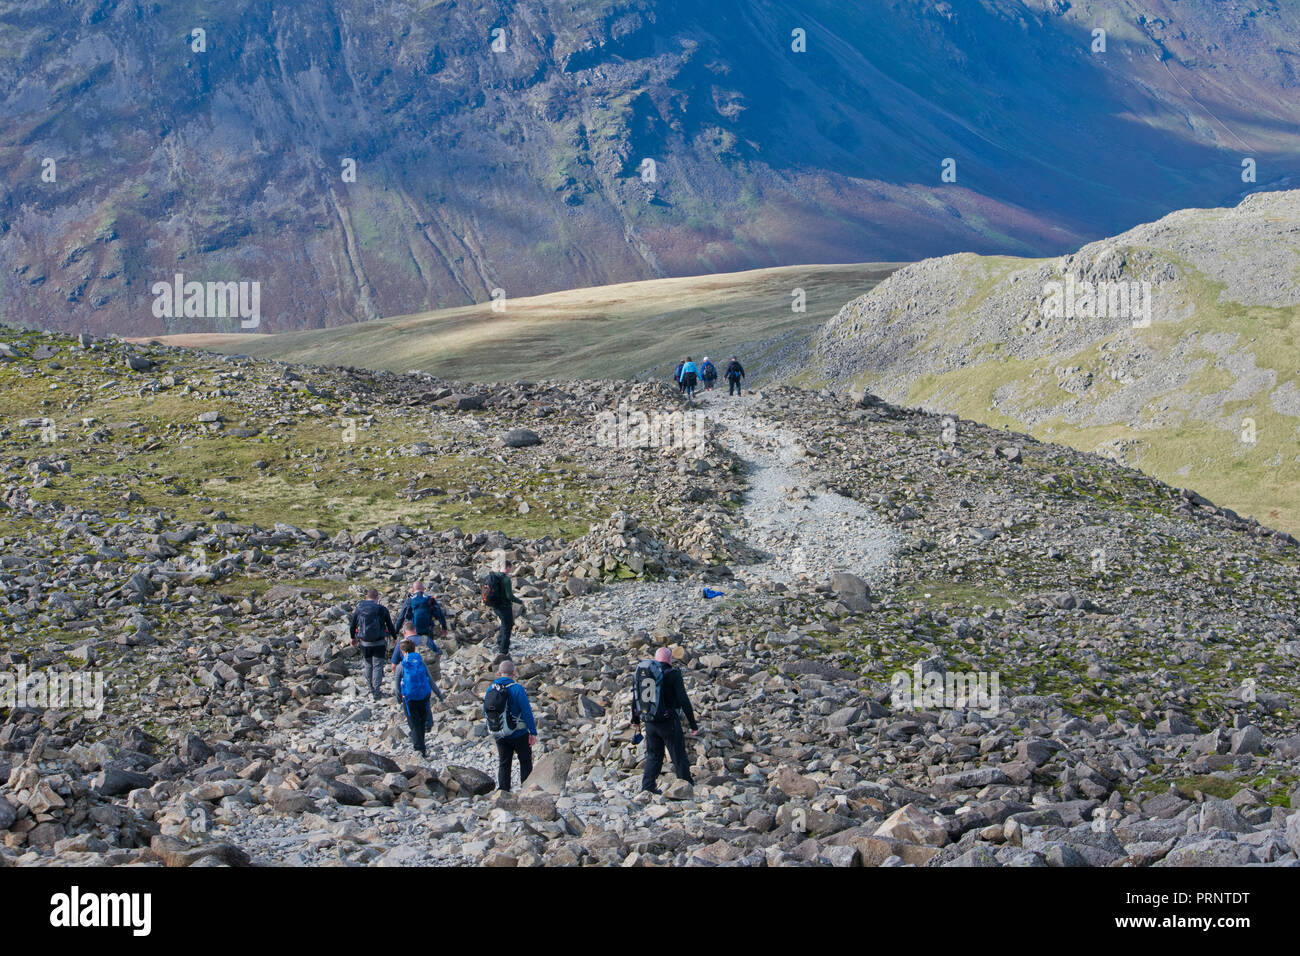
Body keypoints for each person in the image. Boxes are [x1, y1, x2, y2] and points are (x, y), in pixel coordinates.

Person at [631, 647, 699, 794]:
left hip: (649, 722)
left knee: (654, 756)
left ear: (656, 659)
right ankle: (686, 787)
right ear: (670, 659)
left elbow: (635, 697)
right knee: (678, 755)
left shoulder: (646, 674)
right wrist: (693, 724)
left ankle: (647, 788)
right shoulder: (673, 674)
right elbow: (683, 700)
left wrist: (635, 719)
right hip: (668, 722)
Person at [483, 660, 537, 792]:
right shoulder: (517, 688)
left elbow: (486, 712)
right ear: (513, 673)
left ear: (498, 673)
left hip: (499, 732)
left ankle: (503, 791)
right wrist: (533, 732)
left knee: (504, 762)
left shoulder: (490, 689)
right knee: (525, 760)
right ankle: (525, 790)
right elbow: (526, 711)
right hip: (518, 733)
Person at [394, 582, 448, 700]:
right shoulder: (429, 599)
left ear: (413, 589)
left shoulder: (410, 600)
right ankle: (431, 680)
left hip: (413, 633)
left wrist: (395, 631)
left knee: (412, 656)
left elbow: (402, 615)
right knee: (429, 654)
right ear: (423, 589)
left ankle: (413, 679)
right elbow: (439, 613)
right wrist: (444, 627)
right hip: (427, 632)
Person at [349, 588, 396, 700]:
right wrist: (394, 637)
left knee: (368, 664)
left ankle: (370, 688)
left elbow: (353, 625)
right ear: (377, 598)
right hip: (379, 642)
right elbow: (390, 625)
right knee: (378, 666)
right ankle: (376, 691)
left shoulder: (359, 608)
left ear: (366, 597)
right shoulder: (382, 609)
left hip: (365, 642)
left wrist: (353, 638)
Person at [396, 638, 434, 757]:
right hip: (423, 697)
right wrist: (439, 695)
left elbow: (397, 686)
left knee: (414, 724)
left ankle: (419, 750)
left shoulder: (401, 666)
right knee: (422, 722)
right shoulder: (421, 663)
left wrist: (399, 699)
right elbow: (430, 680)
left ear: (403, 652)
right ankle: (422, 748)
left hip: (409, 699)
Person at [393, 621, 445, 703]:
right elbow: (438, 655)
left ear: (404, 632)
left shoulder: (401, 645)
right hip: (432, 675)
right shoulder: (426, 639)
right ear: (415, 630)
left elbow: (394, 665)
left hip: (411, 684)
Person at [481, 560, 524, 659]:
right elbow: (509, 596)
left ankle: (500, 642)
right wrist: (520, 602)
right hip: (504, 607)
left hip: (495, 605)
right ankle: (503, 651)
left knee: (504, 624)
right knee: (507, 626)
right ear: (508, 568)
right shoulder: (506, 579)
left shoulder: (493, 576)